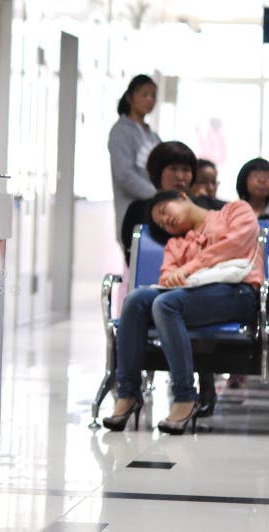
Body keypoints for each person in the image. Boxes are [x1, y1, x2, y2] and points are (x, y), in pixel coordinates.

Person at [103, 190, 262, 434]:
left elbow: (234, 246)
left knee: (165, 304)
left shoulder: (235, 210)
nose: (166, 221)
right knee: (135, 300)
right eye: (161, 223)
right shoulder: (176, 243)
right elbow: (167, 276)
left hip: (237, 292)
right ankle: (128, 393)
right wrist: (176, 276)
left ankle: (185, 396)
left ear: (182, 197)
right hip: (193, 297)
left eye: (165, 212)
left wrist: (188, 268)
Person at [108, 74, 161, 248]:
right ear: (130, 97)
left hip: (156, 215)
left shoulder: (152, 136)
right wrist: (158, 196)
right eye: (145, 94)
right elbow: (125, 175)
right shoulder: (120, 132)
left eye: (153, 95)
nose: (150, 100)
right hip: (132, 214)